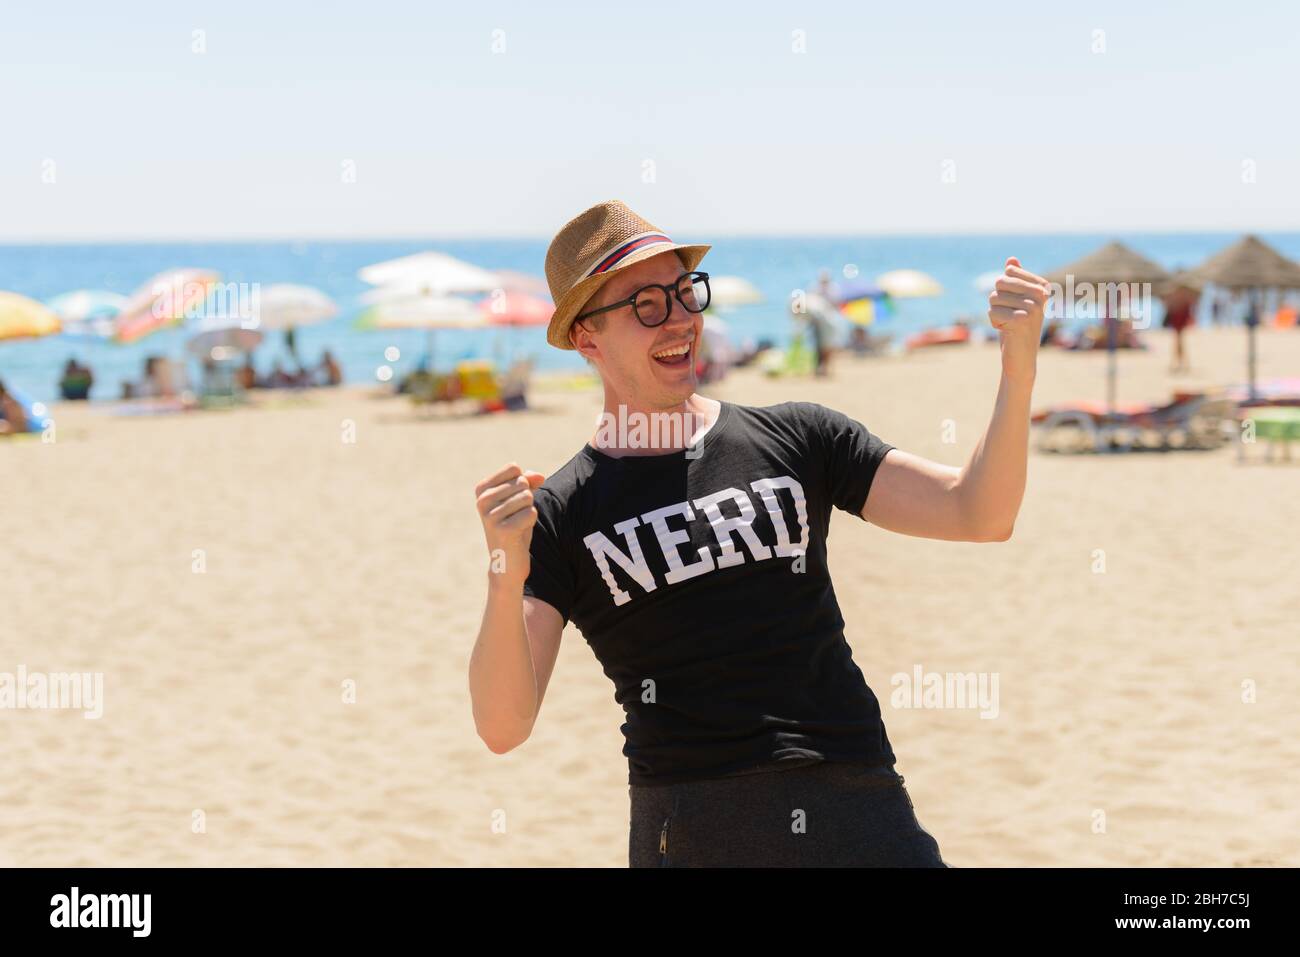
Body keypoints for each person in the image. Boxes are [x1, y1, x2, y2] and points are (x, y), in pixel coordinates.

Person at [468, 200, 1048, 867]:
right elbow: (503, 726)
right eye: (647, 304)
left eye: (686, 293)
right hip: (695, 827)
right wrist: (502, 572)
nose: (682, 318)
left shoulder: (800, 436)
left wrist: (1018, 370)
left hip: (861, 802)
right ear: (586, 338)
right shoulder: (566, 511)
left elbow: (979, 512)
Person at [1162, 284, 1198, 373]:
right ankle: (1181, 363)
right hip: (1178, 323)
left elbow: (1170, 307)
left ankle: (1180, 363)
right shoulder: (1185, 297)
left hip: (1179, 323)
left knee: (1178, 343)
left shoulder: (1178, 298)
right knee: (1179, 343)